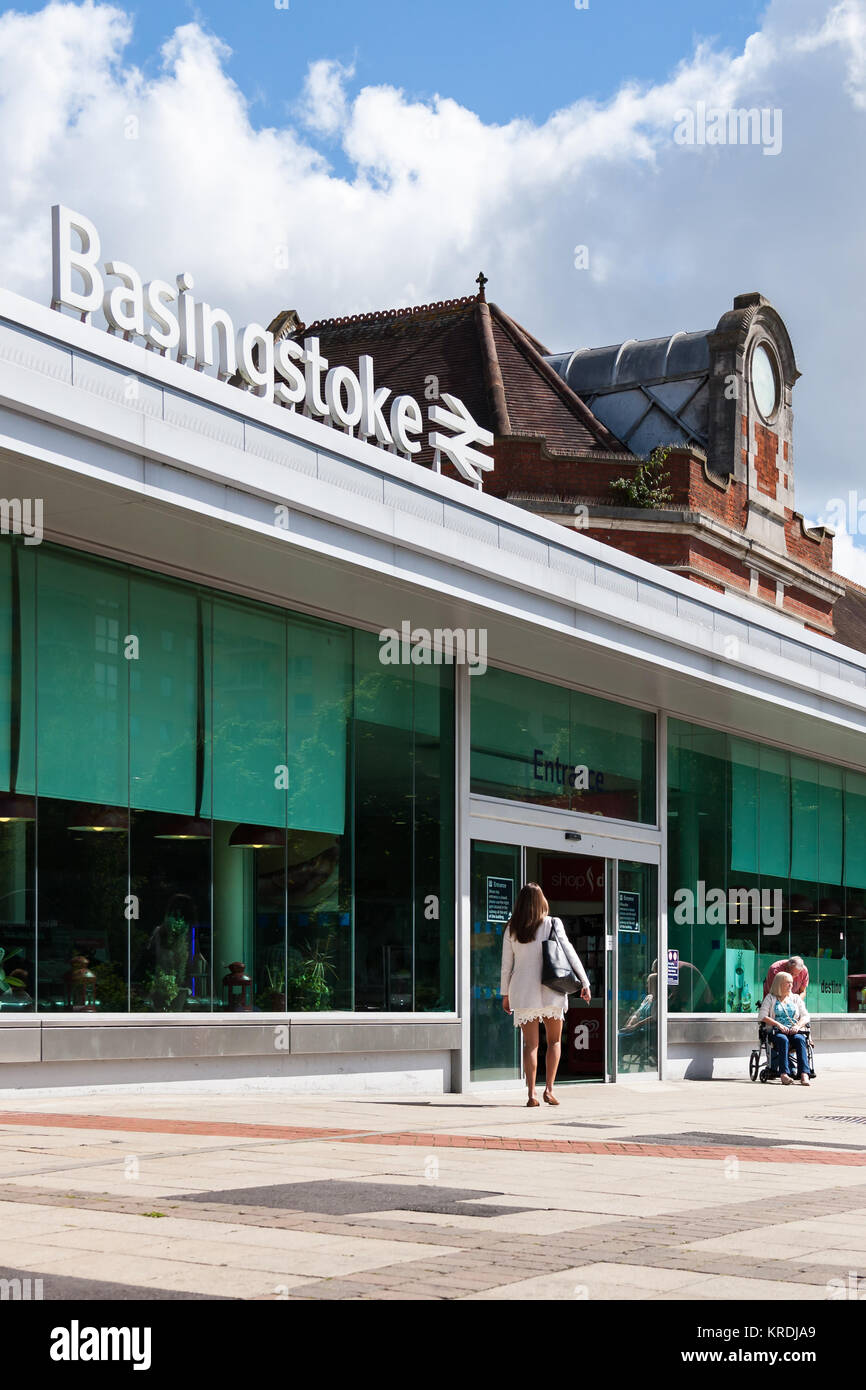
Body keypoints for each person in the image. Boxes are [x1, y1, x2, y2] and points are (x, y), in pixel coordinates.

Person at [500, 882, 590, 1107]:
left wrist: (504, 994)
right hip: (552, 989)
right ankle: (549, 1090)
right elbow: (569, 952)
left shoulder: (512, 927)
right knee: (554, 1041)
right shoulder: (552, 923)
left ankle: (531, 1094)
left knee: (531, 1045)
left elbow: (506, 966)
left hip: (522, 989)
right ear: (542, 902)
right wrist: (584, 982)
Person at [758, 970, 811, 1086]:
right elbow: (762, 1016)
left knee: (800, 1039)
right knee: (783, 1039)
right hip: (776, 1031)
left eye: (791, 983)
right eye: (787, 983)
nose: (791, 985)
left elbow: (806, 1016)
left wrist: (797, 1026)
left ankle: (804, 1074)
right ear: (779, 983)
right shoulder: (770, 998)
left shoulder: (796, 998)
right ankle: (784, 1074)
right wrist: (778, 1025)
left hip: (793, 1030)